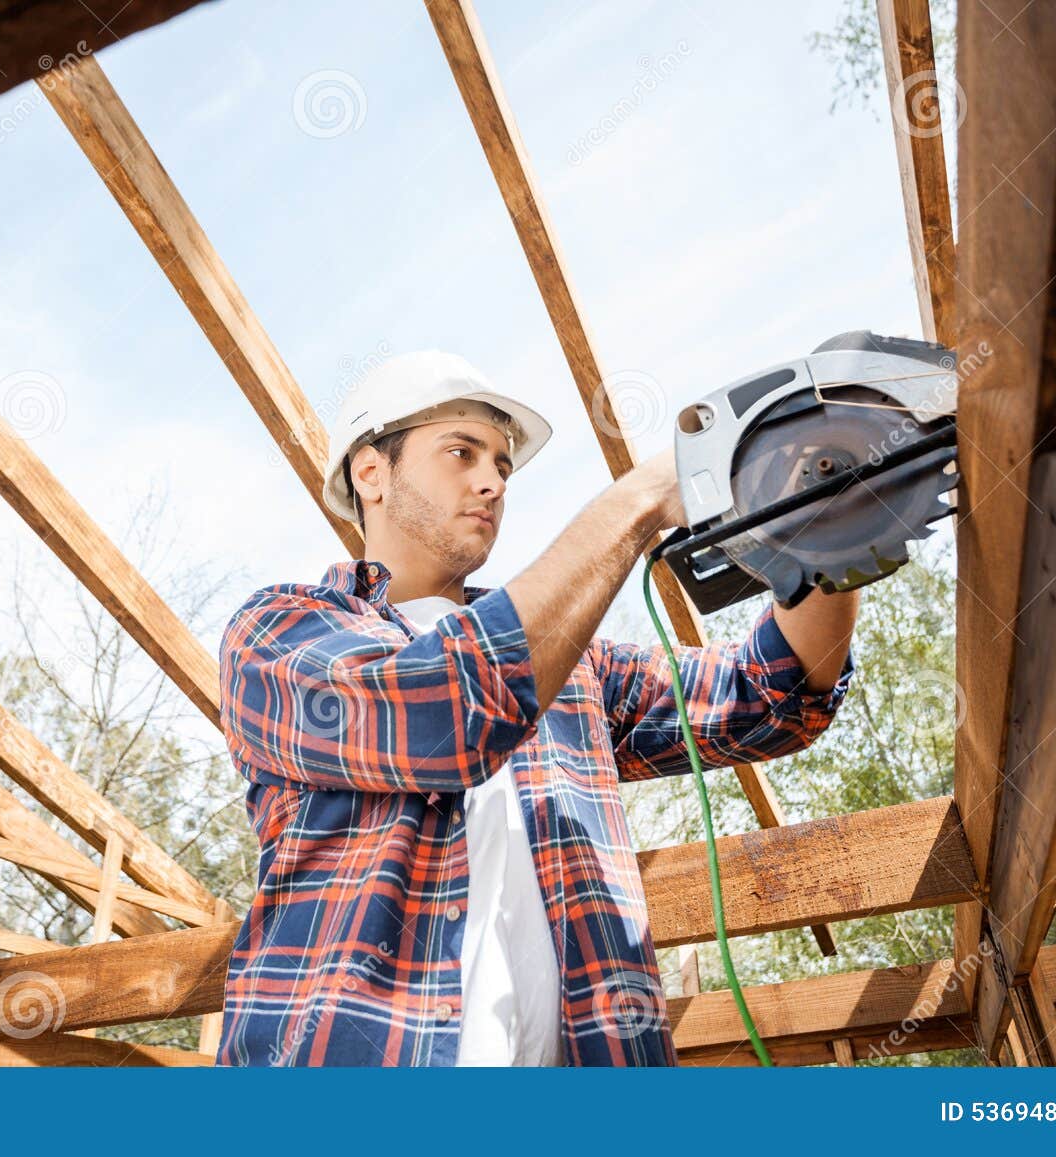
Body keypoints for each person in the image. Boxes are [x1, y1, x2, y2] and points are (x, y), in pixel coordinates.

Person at [215, 349, 857, 1066]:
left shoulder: (572, 666)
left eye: (501, 465)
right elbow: (449, 712)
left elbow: (771, 694)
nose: (491, 482)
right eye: (461, 452)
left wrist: (832, 536)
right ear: (371, 473)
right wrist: (640, 498)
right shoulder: (280, 631)